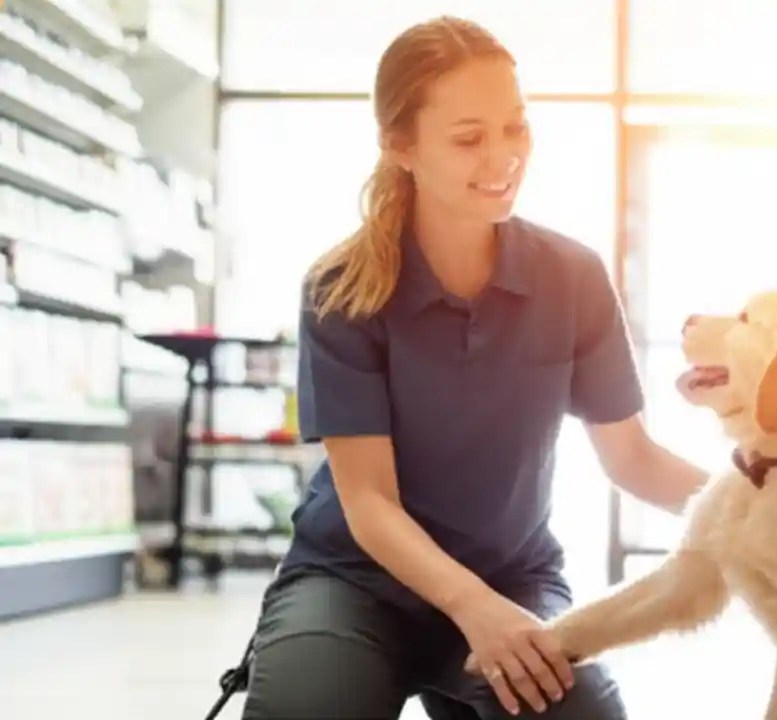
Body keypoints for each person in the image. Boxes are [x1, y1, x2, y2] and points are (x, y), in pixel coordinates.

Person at [239, 15, 708, 720]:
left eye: (515, 128)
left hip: (512, 575)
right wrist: (471, 607)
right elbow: (368, 503)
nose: (504, 156)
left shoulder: (572, 276)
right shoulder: (342, 288)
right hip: (355, 581)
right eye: (469, 138)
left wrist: (773, 511)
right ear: (400, 144)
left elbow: (634, 459)